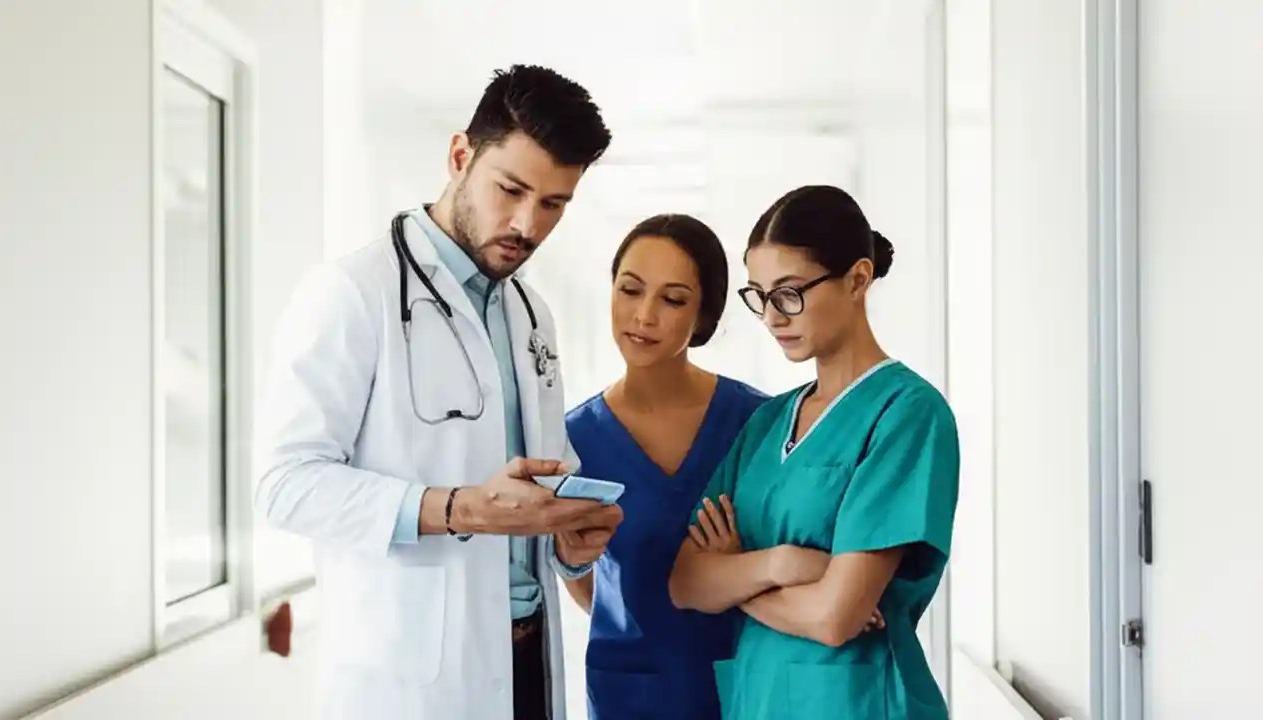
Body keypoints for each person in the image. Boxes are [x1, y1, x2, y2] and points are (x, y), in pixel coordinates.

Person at [254, 65, 623, 720]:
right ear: (460, 156)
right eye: (510, 189)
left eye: (553, 204)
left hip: (528, 663)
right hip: (409, 682)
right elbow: (283, 485)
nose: (527, 224)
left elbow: (543, 476)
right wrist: (459, 509)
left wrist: (568, 540)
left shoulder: (531, 313)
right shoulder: (353, 293)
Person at [668, 185, 960, 719]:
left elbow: (834, 618)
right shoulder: (766, 422)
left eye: (790, 292)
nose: (773, 317)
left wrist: (737, 577)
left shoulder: (907, 413)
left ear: (858, 279)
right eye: (759, 296)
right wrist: (785, 563)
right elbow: (686, 582)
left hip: (857, 702)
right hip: (760, 698)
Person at [561, 215, 769, 720]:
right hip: (628, 694)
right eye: (630, 290)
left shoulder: (758, 423)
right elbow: (580, 576)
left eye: (673, 299)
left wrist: (736, 569)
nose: (644, 315)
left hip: (744, 686)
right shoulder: (574, 438)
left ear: (704, 315)